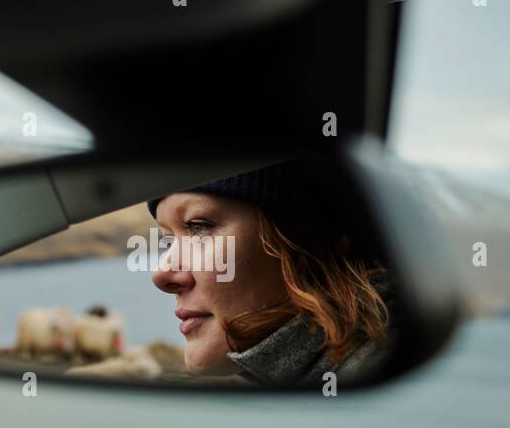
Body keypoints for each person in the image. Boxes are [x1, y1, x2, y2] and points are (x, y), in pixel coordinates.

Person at [148, 161, 394, 387]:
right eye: (168, 240)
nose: (160, 274)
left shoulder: (379, 371)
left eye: (199, 228)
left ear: (310, 238)